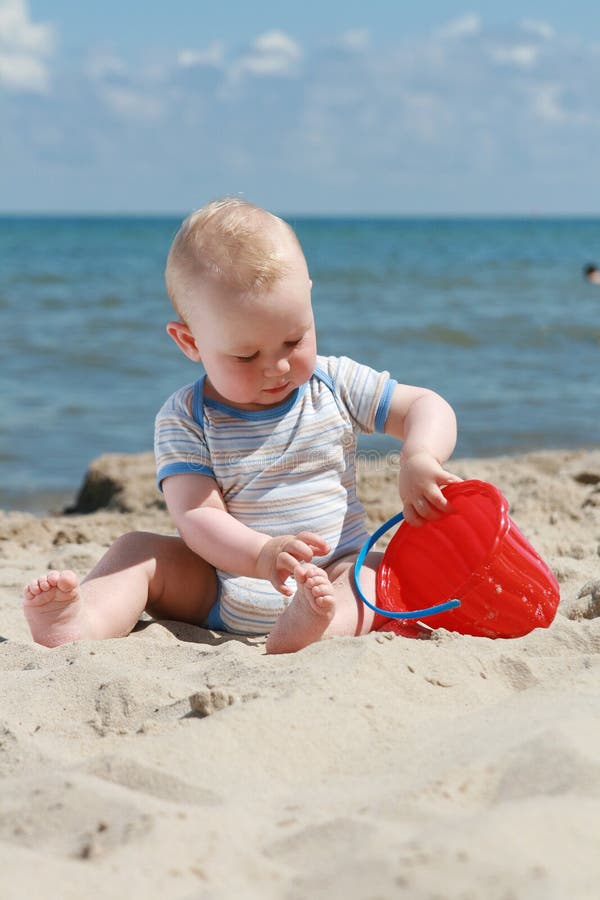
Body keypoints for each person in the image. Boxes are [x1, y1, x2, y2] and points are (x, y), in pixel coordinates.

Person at [23, 198, 460, 654]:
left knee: (375, 569)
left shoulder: (334, 383)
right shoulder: (187, 417)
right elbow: (198, 516)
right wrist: (261, 554)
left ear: (310, 299)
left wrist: (419, 454)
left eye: (294, 339)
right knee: (137, 551)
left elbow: (425, 405)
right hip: (221, 581)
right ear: (190, 341)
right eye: (246, 356)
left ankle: (314, 628)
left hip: (330, 572)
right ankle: (81, 619)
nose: (277, 366)